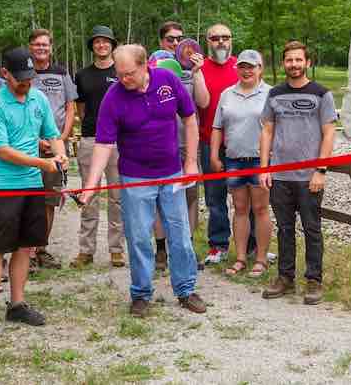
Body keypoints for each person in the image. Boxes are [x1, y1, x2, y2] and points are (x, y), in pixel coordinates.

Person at [81, 45, 207, 317]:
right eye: (119, 74)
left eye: (129, 74)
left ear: (144, 66)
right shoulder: (113, 97)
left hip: (172, 174)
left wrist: (191, 163)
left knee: (180, 235)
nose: (123, 79)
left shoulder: (168, 81)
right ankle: (140, 292)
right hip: (135, 178)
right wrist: (92, 184)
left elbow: (190, 118)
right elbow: (104, 144)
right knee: (138, 237)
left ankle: (185, 289)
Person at [0, 47, 68, 342]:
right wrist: (43, 163)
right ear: (5, 74)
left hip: (31, 185)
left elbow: (52, 134)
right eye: (20, 78)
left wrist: (61, 154)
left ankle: (17, 304)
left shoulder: (38, 98)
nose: (26, 83)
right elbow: (2, 151)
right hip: (3, 185)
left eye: (30, 77)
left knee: (26, 247)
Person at [259, 40, 337, 305]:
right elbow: (267, 130)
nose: (294, 64)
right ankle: (285, 277)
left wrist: (321, 170)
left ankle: (314, 280)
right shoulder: (275, 95)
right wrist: (264, 167)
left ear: (308, 63)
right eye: (289, 60)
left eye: (298, 60)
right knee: (285, 228)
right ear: (284, 63)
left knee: (312, 228)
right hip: (280, 176)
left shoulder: (322, 94)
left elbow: (329, 133)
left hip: (309, 177)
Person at [210, 50, 272, 278]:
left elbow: (276, 128)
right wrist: (215, 156)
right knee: (240, 209)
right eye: (243, 66)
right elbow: (218, 127)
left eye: (252, 67)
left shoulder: (270, 94)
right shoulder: (227, 94)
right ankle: (241, 257)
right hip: (234, 159)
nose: (247, 71)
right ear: (237, 68)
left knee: (261, 208)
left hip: (260, 159)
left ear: (260, 69)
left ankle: (262, 258)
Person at [70, 25, 125, 269]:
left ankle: (116, 250)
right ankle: (86, 250)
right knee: (88, 196)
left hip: (118, 140)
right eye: (97, 42)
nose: (101, 45)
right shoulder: (82, 75)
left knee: (117, 198)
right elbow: (80, 109)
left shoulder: (121, 71)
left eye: (106, 41)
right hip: (91, 139)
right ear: (92, 46)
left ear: (112, 45)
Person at [191, 23, 240, 266]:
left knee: (247, 197)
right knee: (215, 198)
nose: (221, 41)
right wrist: (197, 73)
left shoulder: (242, 66)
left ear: (231, 40)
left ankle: (250, 246)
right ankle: (218, 245)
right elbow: (203, 103)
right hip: (210, 142)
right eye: (215, 38)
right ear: (207, 41)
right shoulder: (200, 68)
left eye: (225, 37)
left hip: (242, 145)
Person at [152, 21, 199, 271]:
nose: (176, 44)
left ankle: (187, 248)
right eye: (171, 39)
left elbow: (202, 103)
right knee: (160, 199)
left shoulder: (192, 73)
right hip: (161, 146)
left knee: (191, 198)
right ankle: (161, 251)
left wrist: (199, 74)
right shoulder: (152, 70)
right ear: (162, 42)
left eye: (180, 39)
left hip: (187, 146)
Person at [28, 28, 77, 270]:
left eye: (45, 45)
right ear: (30, 47)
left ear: (50, 47)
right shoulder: (23, 73)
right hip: (27, 146)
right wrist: (36, 140)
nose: (41, 48)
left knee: (49, 199)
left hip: (57, 145)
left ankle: (42, 248)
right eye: (37, 44)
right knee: (28, 197)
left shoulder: (61, 73)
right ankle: (26, 253)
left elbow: (70, 107)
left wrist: (62, 139)